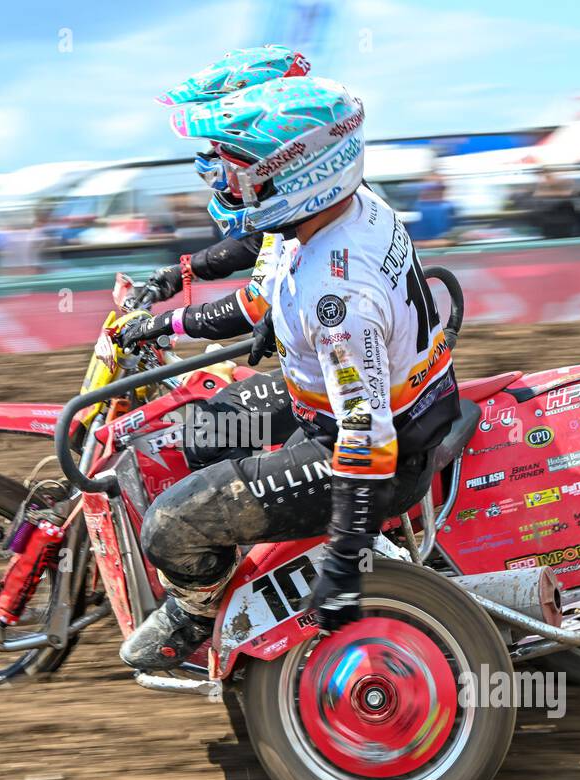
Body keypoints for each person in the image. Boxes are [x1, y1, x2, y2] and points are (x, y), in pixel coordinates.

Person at [120, 75, 461, 671]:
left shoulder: (336, 293)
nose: (227, 181)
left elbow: (366, 438)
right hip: (344, 404)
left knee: (168, 527)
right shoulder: (348, 209)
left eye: (239, 167)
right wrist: (275, 322)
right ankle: (247, 568)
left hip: (366, 450)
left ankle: (199, 613)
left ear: (298, 172)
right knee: (200, 434)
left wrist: (345, 562)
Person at [118, 45, 313, 467]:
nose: (218, 163)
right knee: (218, 384)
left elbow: (253, 305)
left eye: (223, 147)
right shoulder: (301, 196)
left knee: (210, 431)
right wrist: (181, 270)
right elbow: (255, 243)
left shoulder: (311, 203)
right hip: (331, 372)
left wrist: (162, 325)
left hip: (339, 394)